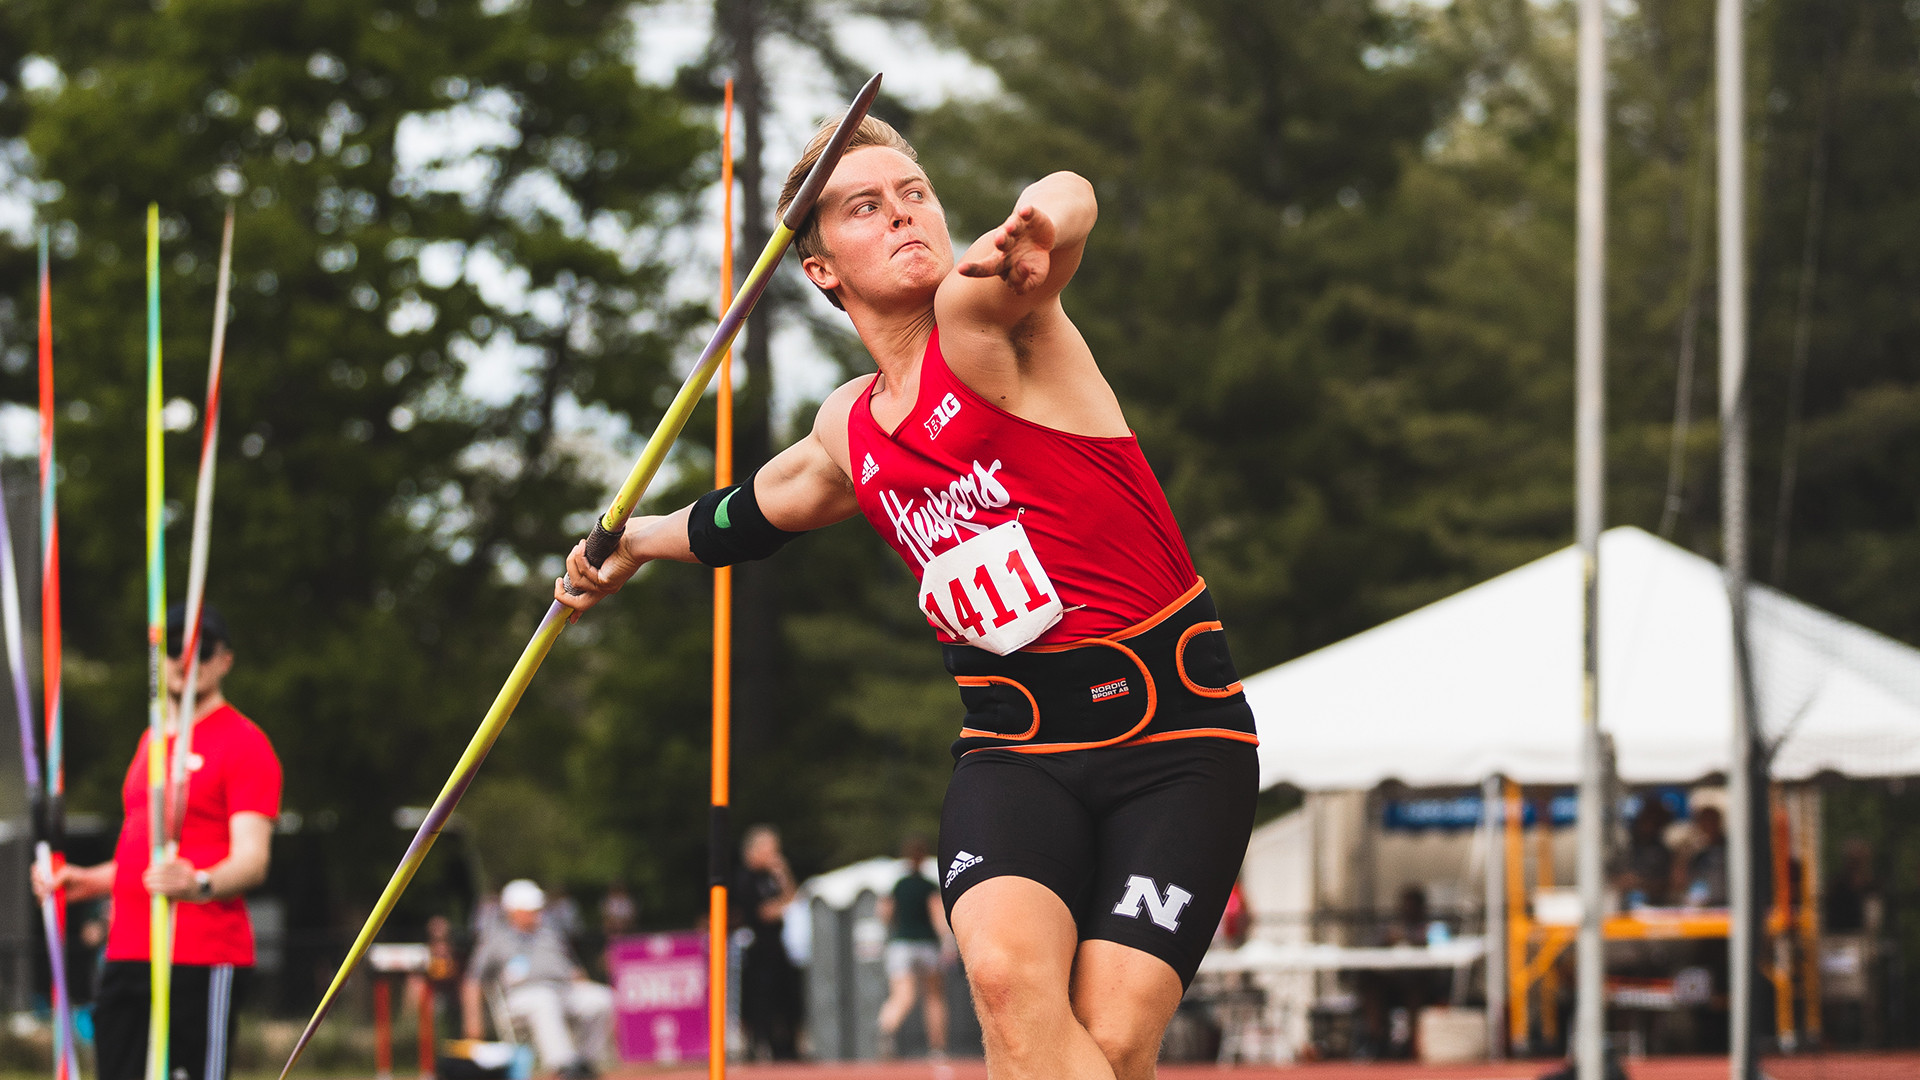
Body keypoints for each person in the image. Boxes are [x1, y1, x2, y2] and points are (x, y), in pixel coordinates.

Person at [557, 113, 1259, 1080]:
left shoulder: (991, 316)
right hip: (1015, 750)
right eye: (865, 207)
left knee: (1116, 1041)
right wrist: (633, 539)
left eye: (914, 194)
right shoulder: (850, 423)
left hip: (1173, 740)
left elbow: (1071, 189)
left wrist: (1036, 225)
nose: (902, 215)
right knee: (1010, 991)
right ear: (820, 268)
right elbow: (763, 509)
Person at [33, 604, 281, 1080]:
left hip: (201, 954)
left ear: (225, 660)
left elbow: (252, 858)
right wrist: (86, 878)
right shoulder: (151, 741)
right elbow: (140, 858)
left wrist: (201, 883)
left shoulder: (244, 742)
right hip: (127, 950)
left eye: (201, 649)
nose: (186, 660)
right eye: (173, 648)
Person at [462, 879, 613, 1080]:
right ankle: (563, 1067)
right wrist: (473, 1022)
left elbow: (572, 969)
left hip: (562, 990)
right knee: (544, 998)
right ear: (513, 911)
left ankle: (584, 1063)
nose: (538, 913)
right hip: (521, 998)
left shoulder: (549, 933)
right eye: (532, 909)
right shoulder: (494, 939)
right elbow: (473, 979)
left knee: (601, 998)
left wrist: (580, 980)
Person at [876, 836, 951, 1059]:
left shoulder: (898, 885)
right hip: (926, 944)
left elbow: (884, 914)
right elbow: (937, 916)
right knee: (934, 997)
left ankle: (885, 1027)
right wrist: (947, 942)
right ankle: (937, 1048)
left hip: (901, 944)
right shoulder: (928, 886)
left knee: (902, 995)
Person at [731, 825, 801, 1061]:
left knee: (787, 998)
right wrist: (783, 906)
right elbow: (766, 912)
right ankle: (759, 1046)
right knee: (760, 1000)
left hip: (778, 946)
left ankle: (786, 1047)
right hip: (758, 947)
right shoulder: (745, 879)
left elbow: (792, 899)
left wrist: (784, 874)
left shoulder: (772, 877)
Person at [1674, 805, 1728, 907]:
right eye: (1704, 821)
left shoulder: (1730, 848)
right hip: (1702, 907)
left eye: (1711, 820)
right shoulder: (1695, 850)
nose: (1708, 825)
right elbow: (1679, 882)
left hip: (1727, 903)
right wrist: (1685, 853)